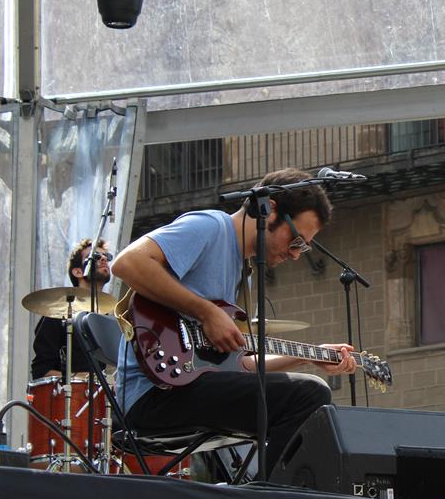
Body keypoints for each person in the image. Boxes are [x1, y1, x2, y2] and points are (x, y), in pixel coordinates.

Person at [111, 167, 357, 478]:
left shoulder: (241, 270)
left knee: (308, 397)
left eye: (303, 247)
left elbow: (236, 366)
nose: (296, 255)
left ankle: (264, 490)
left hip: (186, 389)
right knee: (309, 394)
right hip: (153, 394)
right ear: (269, 212)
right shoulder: (210, 227)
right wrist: (206, 312)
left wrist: (309, 355)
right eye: (296, 241)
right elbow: (127, 263)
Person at [31, 238, 112, 379]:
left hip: (99, 397)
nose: (104, 259)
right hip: (67, 398)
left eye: (107, 256)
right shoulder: (58, 313)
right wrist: (81, 378)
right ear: (78, 272)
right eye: (96, 256)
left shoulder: (106, 317)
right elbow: (41, 371)